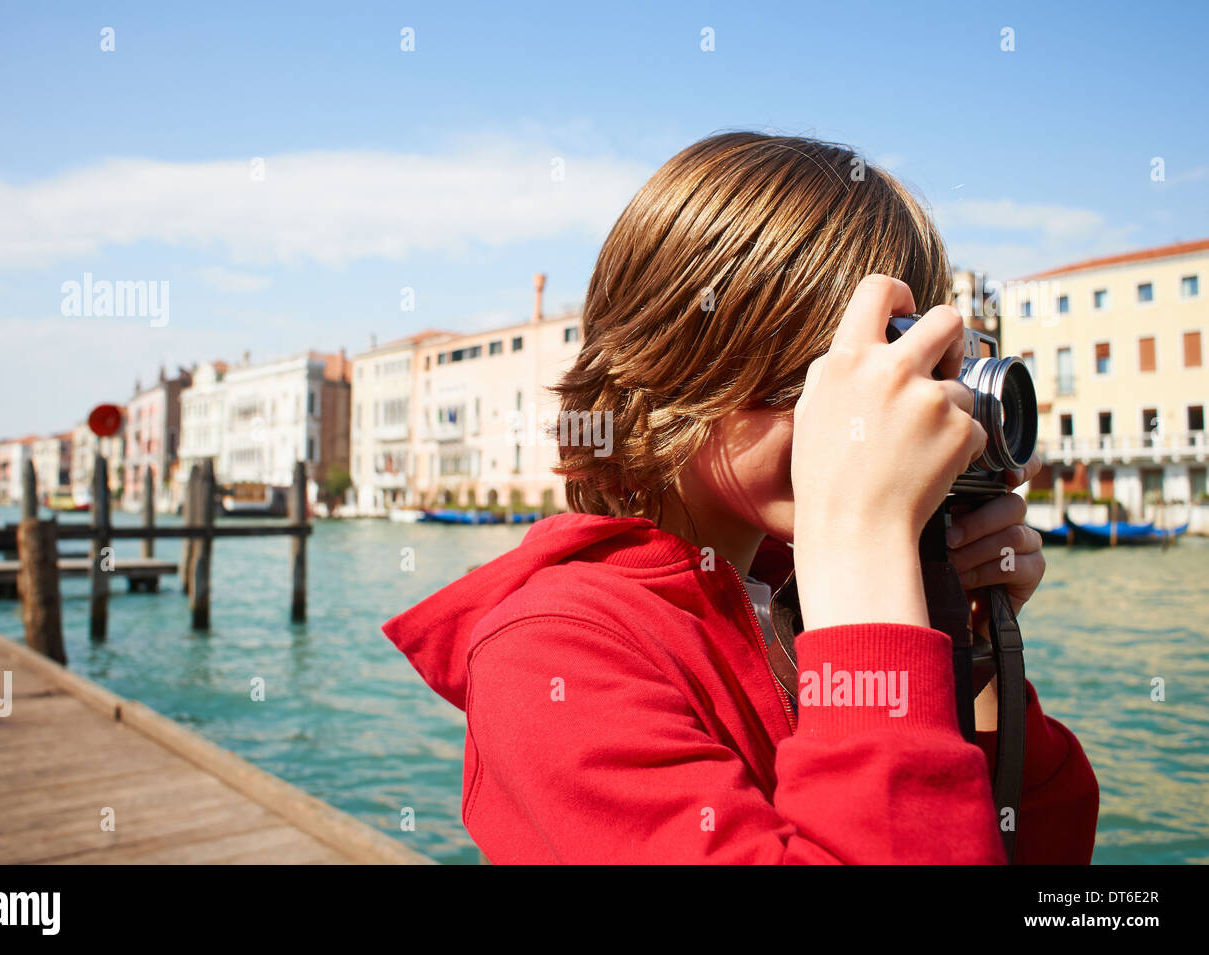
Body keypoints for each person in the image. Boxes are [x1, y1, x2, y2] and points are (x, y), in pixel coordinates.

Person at [383, 132, 1099, 864]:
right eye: (824, 370)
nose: (863, 413)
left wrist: (960, 648)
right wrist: (862, 546)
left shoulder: (818, 591)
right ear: (673, 365)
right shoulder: (548, 655)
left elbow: (1041, 844)